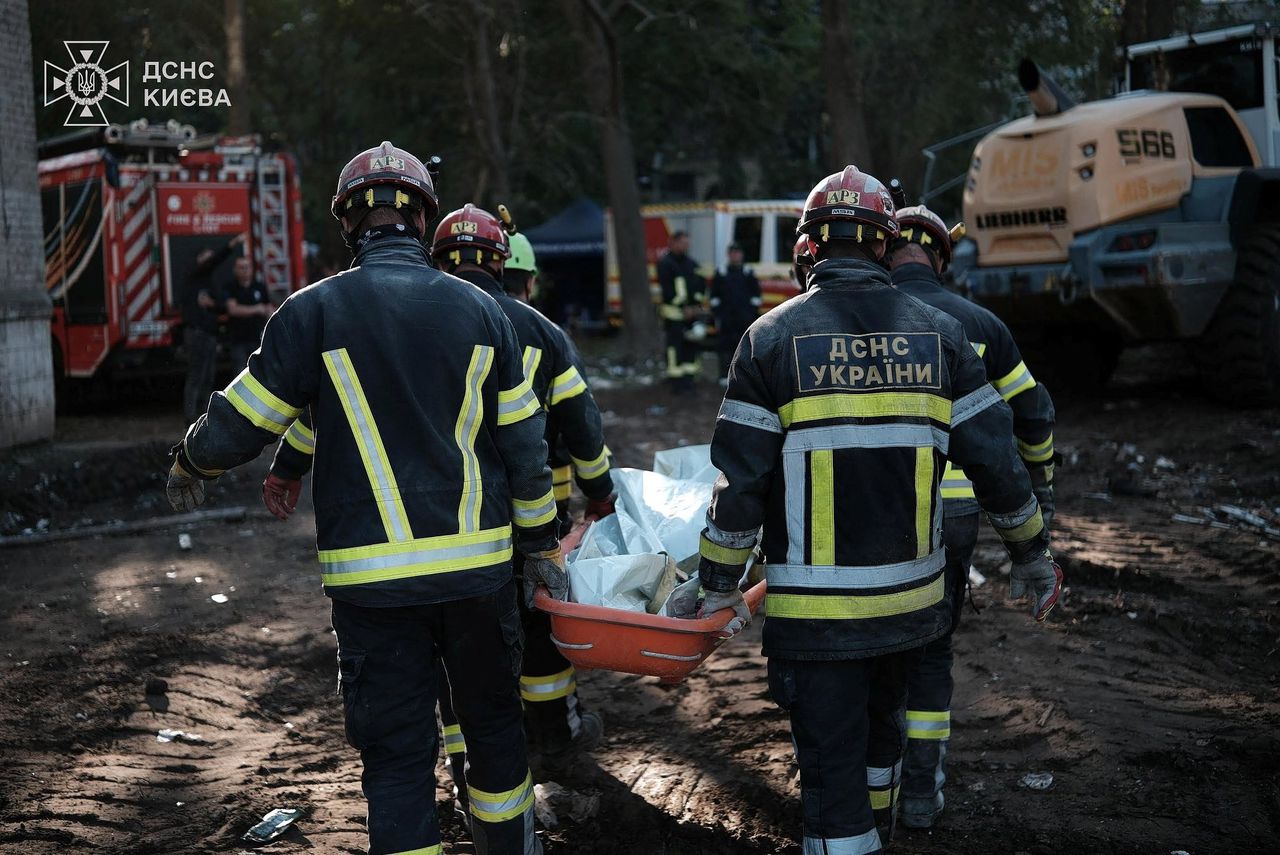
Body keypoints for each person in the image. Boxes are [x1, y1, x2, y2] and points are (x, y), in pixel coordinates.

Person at [165, 141, 561, 855]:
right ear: (422, 219)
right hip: (478, 579)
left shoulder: (310, 312)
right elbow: (527, 447)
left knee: (398, 756)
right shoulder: (482, 310)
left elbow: (241, 422)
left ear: (350, 222)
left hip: (372, 588)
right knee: (496, 734)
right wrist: (539, 545)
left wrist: (193, 456)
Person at [691, 165, 1063, 853]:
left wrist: (714, 584)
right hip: (909, 612)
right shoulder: (943, 336)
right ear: (885, 245)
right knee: (881, 744)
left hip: (816, 623)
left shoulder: (769, 342)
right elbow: (998, 463)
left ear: (808, 248)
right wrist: (1033, 553)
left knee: (832, 786)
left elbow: (739, 488)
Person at [886, 204, 1057, 829]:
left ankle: (873, 785)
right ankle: (925, 793)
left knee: (875, 650)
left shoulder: (869, 322)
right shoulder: (980, 323)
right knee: (931, 652)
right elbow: (1034, 415)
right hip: (957, 512)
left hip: (874, 507)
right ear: (941, 257)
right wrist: (1039, 489)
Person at [431, 205, 615, 779]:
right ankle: (554, 736)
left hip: (445, 521)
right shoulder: (541, 332)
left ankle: (464, 756)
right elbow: (582, 425)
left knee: (458, 644)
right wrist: (601, 492)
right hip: (539, 517)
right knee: (539, 628)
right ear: (519, 274)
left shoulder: (421, 328)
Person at [180, 233, 242, 425]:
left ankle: (202, 418)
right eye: (207, 258)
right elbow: (213, 262)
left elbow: (222, 306)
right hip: (196, 333)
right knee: (196, 376)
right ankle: (189, 417)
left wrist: (212, 303)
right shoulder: (193, 277)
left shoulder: (211, 283)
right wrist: (231, 244)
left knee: (208, 376)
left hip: (210, 334)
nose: (210, 261)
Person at [656, 231, 706, 394]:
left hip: (691, 315)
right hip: (674, 316)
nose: (686, 246)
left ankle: (689, 381)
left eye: (687, 243)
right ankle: (676, 384)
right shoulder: (665, 263)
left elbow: (700, 285)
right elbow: (668, 290)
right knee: (675, 349)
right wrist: (684, 307)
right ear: (673, 243)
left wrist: (697, 306)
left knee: (691, 347)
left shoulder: (692, 263)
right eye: (683, 243)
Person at [709, 242, 762, 382]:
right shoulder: (721, 272)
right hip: (726, 319)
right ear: (728, 255)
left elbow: (756, 296)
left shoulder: (748, 272)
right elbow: (714, 297)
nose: (735, 256)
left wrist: (751, 313)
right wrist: (718, 313)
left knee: (744, 348)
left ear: (742, 255)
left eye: (737, 253)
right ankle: (724, 376)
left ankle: (743, 377)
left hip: (744, 318)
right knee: (725, 347)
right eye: (732, 253)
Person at [223, 254, 275, 369]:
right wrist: (257, 309)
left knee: (260, 372)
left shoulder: (259, 287)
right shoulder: (230, 287)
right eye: (241, 267)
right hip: (238, 340)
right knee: (240, 372)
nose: (245, 270)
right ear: (235, 270)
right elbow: (233, 310)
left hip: (257, 338)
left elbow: (268, 308)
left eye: (247, 267)